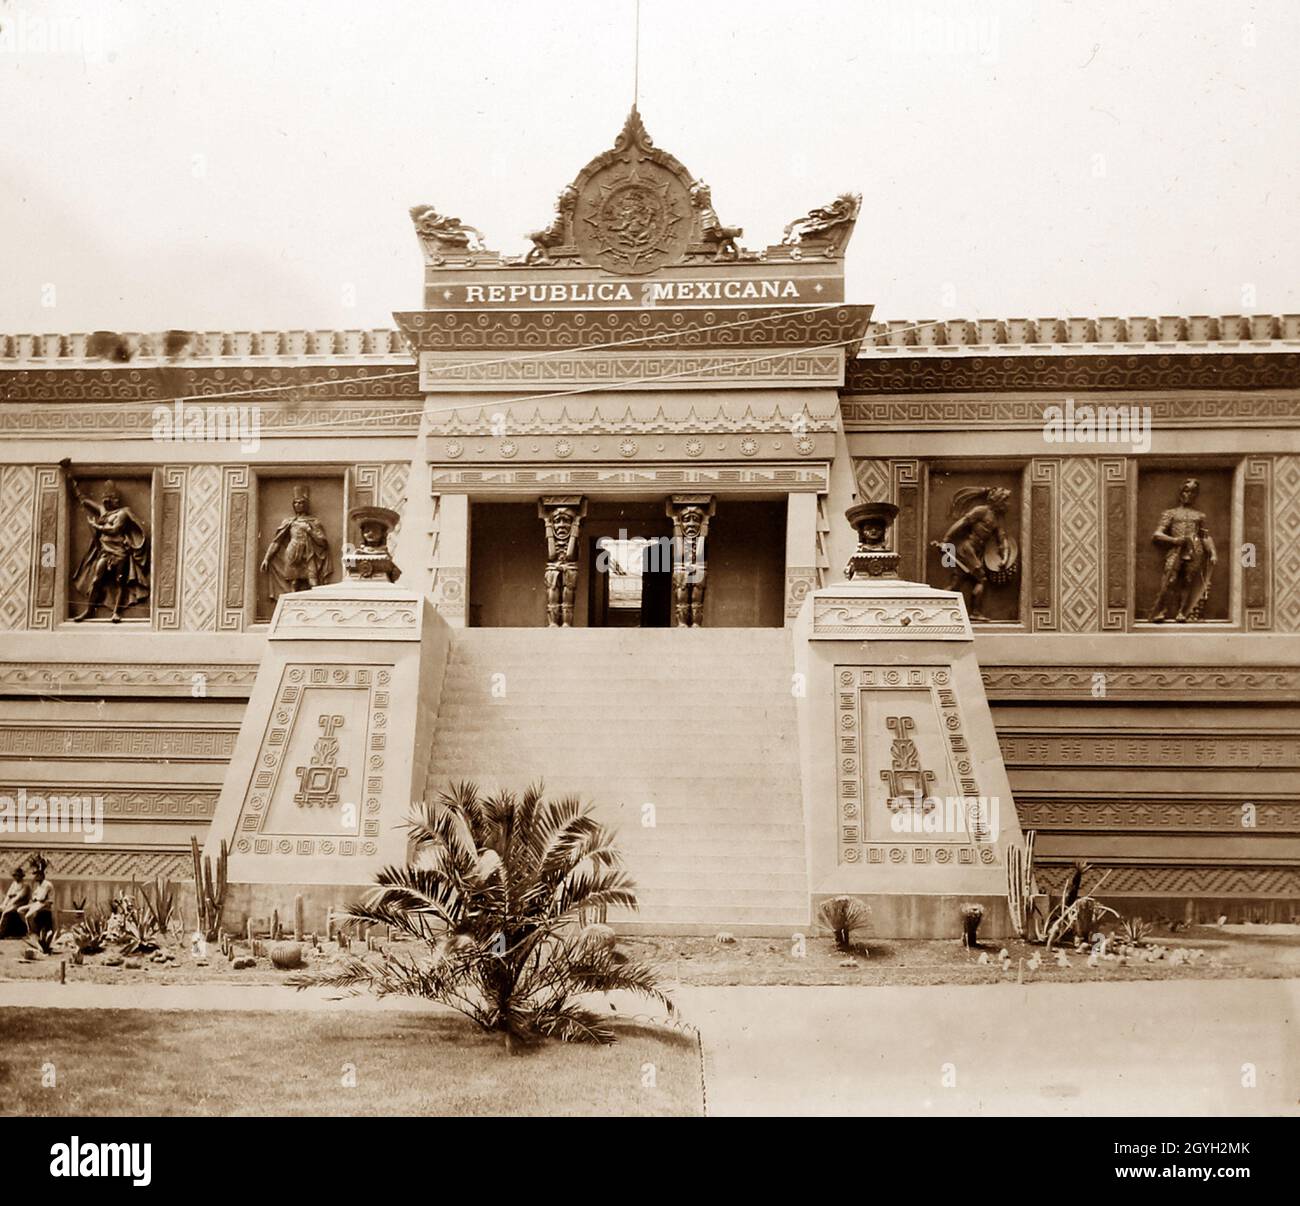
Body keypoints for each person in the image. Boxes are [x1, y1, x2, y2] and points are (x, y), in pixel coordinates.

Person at [22, 860, 54, 937]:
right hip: (38, 903)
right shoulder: (39, 885)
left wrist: (36, 898)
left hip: (46, 904)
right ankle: (30, 929)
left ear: (42, 875)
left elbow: (41, 898)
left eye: (37, 875)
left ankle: (32, 932)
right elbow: (34, 896)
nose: (35, 877)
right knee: (20, 910)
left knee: (28, 916)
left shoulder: (47, 884)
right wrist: (36, 898)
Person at [0, 866, 30, 937]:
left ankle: (1, 932)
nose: (15, 877)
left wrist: (9, 905)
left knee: (6, 913)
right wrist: (4, 904)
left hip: (20, 904)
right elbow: (8, 895)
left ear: (20, 876)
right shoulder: (13, 884)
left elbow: (19, 897)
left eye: (17, 875)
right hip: (11, 903)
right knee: (1, 909)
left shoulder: (25, 885)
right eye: (14, 875)